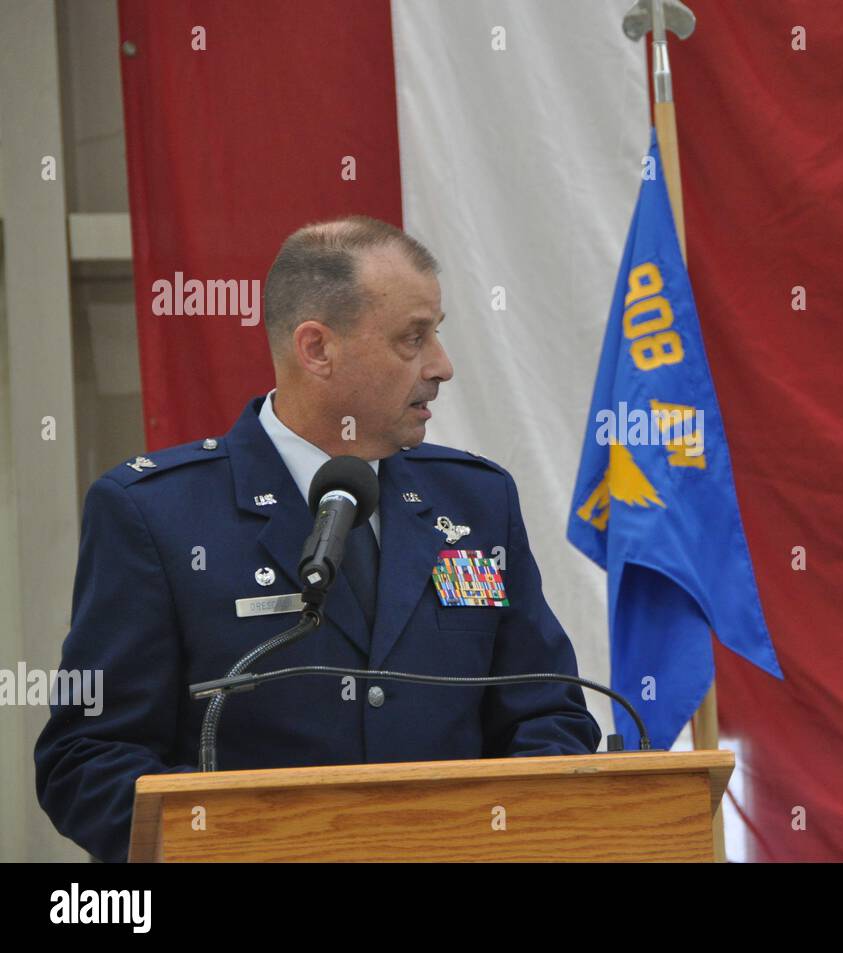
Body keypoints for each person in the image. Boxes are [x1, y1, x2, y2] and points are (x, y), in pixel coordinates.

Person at [34, 216, 602, 862]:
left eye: (436, 334)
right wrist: (239, 843)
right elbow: (85, 759)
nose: (441, 366)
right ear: (316, 349)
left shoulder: (477, 501)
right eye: (413, 339)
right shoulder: (155, 517)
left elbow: (549, 716)